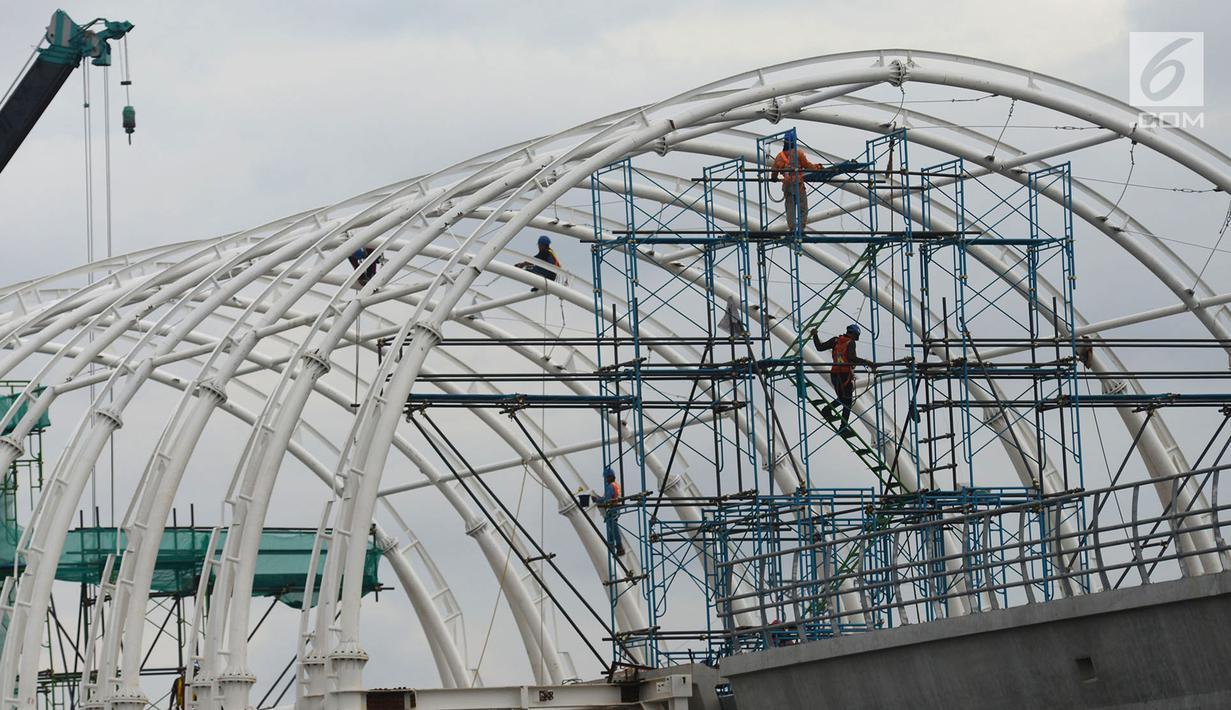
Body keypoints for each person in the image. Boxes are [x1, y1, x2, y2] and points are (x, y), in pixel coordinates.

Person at [811, 323, 877, 434]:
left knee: (842, 398)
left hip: (835, 374)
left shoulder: (835, 340)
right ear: (854, 334)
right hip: (845, 375)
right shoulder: (851, 343)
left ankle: (827, 410)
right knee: (847, 402)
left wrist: (815, 335)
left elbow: (820, 347)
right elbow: (852, 357)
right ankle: (842, 426)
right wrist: (867, 362)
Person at [769, 132, 822, 234]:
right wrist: (817, 167)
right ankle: (801, 229)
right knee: (802, 207)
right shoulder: (798, 154)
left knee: (790, 208)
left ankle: (792, 229)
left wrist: (774, 178)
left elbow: (774, 172)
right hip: (798, 185)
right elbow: (807, 166)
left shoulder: (779, 157)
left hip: (787, 186)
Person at [593, 467, 625, 556]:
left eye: (606, 477)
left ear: (610, 477)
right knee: (611, 528)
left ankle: (619, 547)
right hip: (615, 508)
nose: (605, 480)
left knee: (613, 529)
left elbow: (606, 499)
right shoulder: (616, 485)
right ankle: (612, 547)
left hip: (612, 508)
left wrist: (596, 499)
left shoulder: (611, 486)